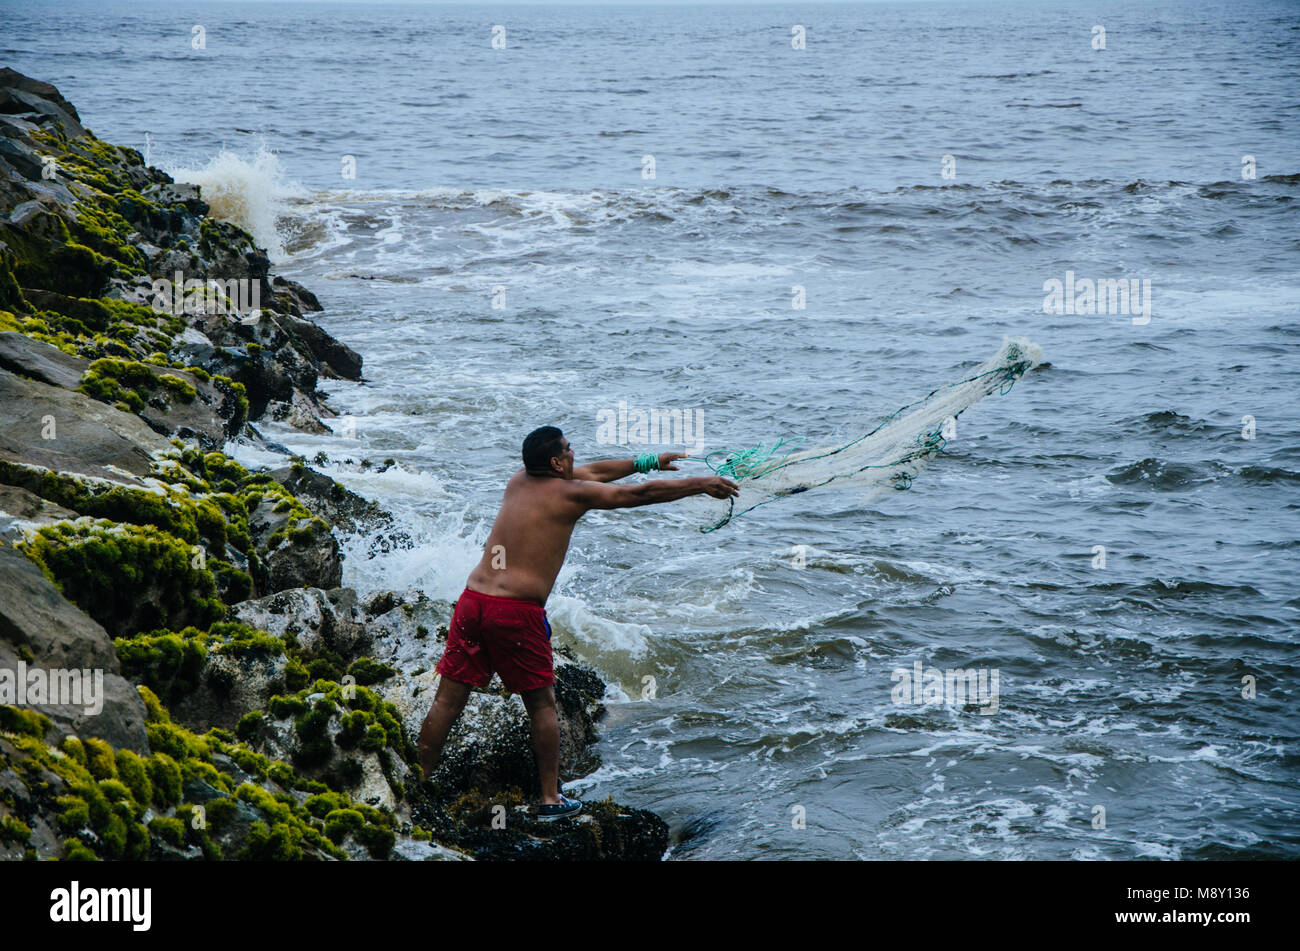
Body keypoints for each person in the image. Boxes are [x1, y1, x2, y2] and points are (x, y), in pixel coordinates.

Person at [416, 425, 739, 820]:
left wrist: (648, 461)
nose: (574, 455)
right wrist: (700, 484)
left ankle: (418, 784)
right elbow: (637, 495)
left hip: (473, 601)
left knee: (448, 700)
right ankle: (550, 800)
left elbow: (598, 473)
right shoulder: (570, 494)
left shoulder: (519, 481)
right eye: (569, 450)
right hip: (514, 612)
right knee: (541, 704)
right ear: (555, 462)